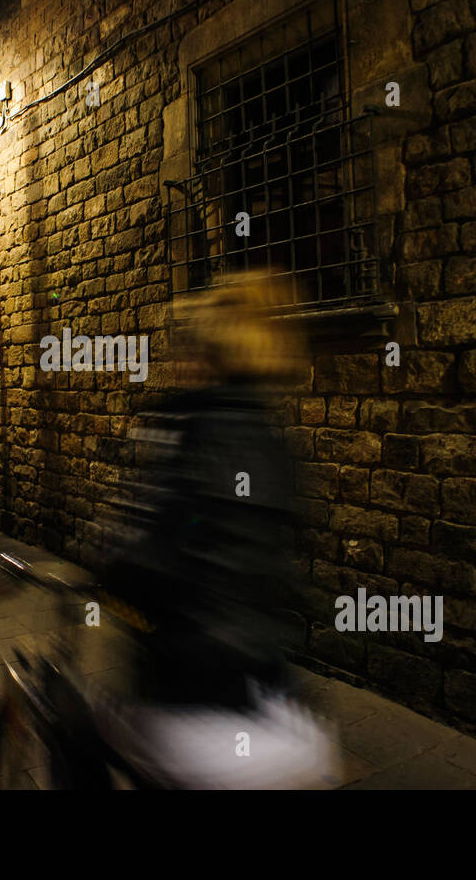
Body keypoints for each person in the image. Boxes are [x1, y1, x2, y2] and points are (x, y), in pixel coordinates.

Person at [87, 270, 337, 789]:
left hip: (197, 711)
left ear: (206, 354)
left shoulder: (188, 426)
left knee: (87, 727)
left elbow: (153, 556)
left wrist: (106, 577)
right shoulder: (272, 435)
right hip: (284, 712)